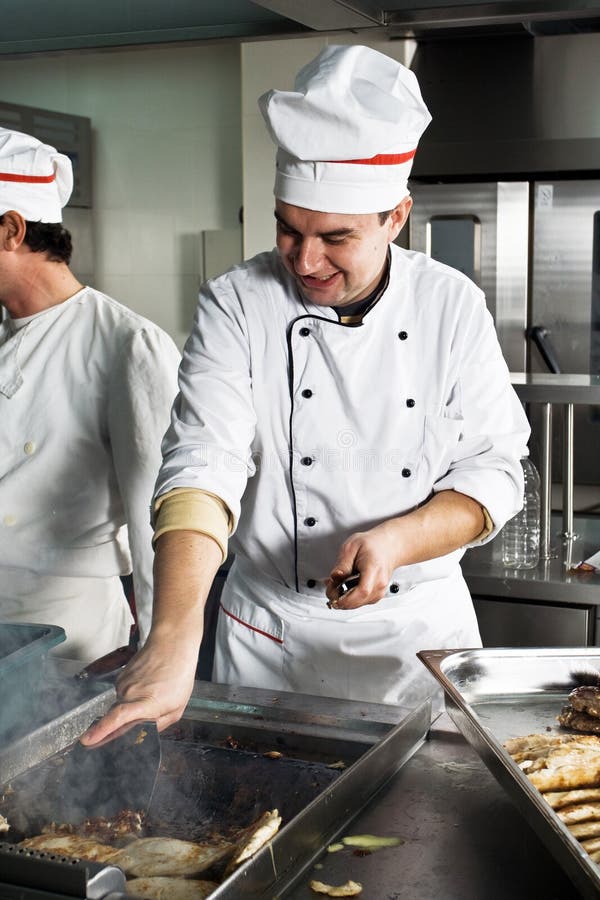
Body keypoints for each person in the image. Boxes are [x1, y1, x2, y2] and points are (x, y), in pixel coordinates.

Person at [83, 44, 529, 745]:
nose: (305, 259)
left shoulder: (451, 306)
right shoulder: (238, 301)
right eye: (288, 228)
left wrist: (398, 539)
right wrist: (171, 639)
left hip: (414, 643)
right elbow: (204, 464)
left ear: (396, 216)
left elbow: (494, 471)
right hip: (270, 646)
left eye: (336, 236)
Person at [0, 127, 180, 663]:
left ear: (11, 229)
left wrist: (157, 651)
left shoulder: (127, 343)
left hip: (65, 623)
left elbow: (158, 516)